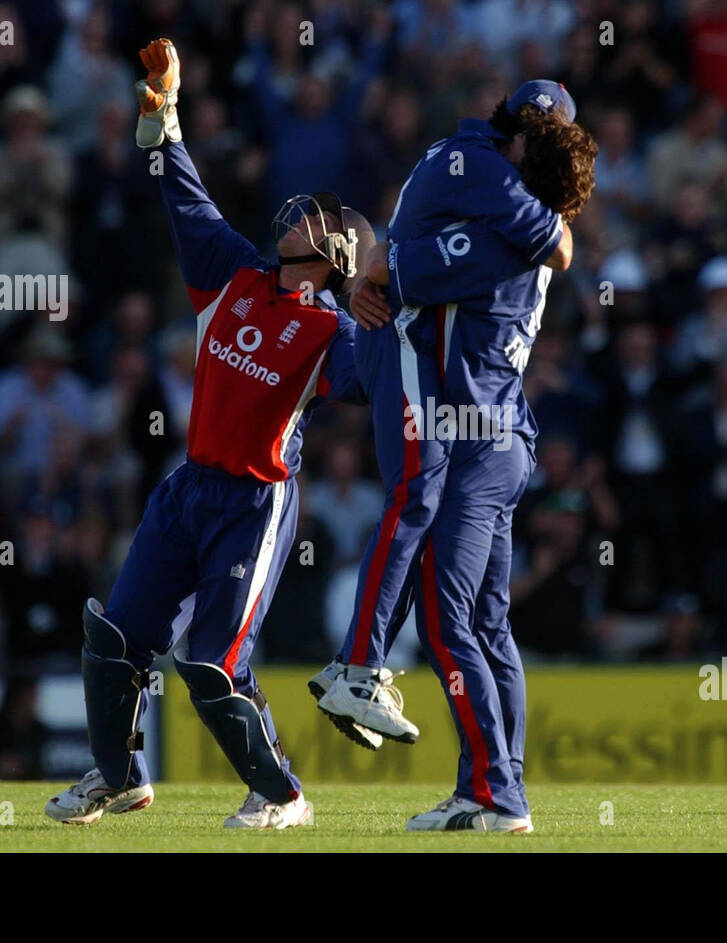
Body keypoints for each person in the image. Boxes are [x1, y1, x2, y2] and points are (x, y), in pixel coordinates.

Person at [45, 39, 370, 831]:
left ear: (331, 259)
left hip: (253, 502)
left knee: (211, 666)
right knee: (112, 637)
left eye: (318, 220)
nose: (300, 213)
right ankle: (118, 778)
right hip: (188, 487)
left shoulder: (330, 330)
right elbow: (186, 199)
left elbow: (372, 381)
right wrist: (168, 118)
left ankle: (283, 795)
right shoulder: (234, 271)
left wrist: (395, 307)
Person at [314, 86, 596, 832]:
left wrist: (369, 276)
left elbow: (396, 264)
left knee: (448, 623)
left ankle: (495, 793)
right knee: (489, 625)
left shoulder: (500, 235)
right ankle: (499, 788)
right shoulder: (515, 225)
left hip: (477, 439)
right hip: (500, 438)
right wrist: (372, 275)